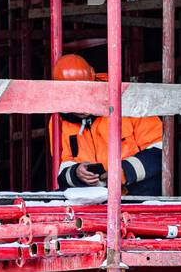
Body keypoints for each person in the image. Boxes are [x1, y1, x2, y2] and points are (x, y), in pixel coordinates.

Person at [47, 53, 163, 196]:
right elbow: (63, 168)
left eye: (86, 98)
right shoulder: (58, 121)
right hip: (94, 202)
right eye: (75, 101)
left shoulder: (129, 101)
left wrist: (124, 171)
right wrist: (76, 173)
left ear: (94, 84)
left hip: (139, 195)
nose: (81, 108)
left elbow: (161, 151)